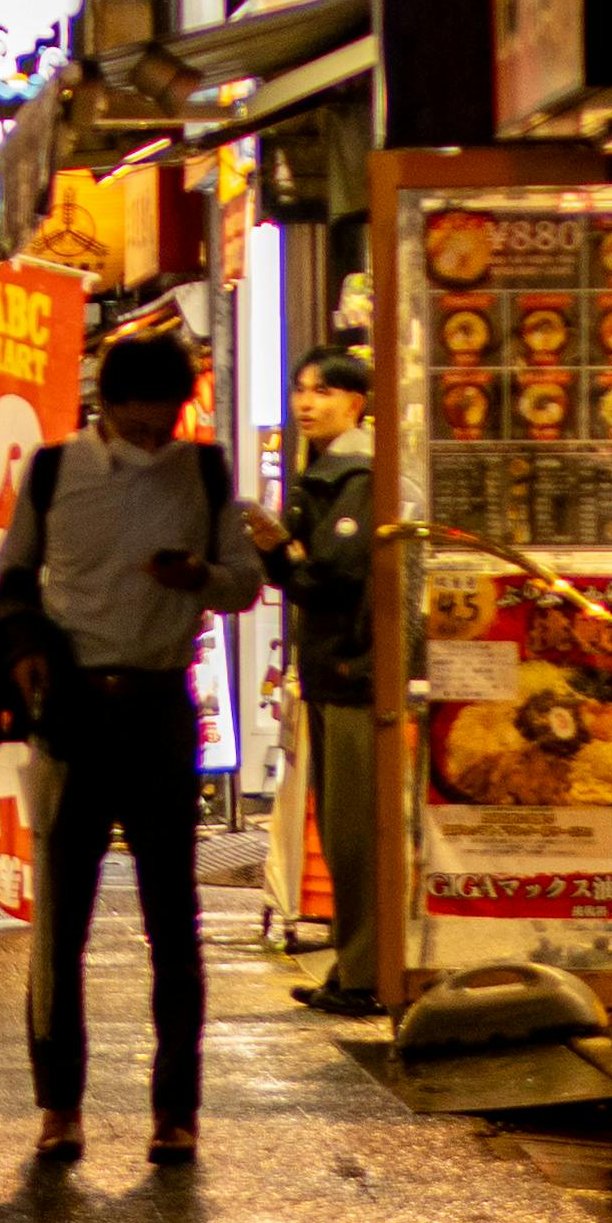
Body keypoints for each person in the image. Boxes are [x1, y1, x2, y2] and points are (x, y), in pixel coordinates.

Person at [0, 322, 265, 1165]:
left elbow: (247, 581)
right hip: (72, 709)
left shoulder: (204, 470)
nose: (156, 438)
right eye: (140, 423)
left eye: (167, 422)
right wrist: (28, 650)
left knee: (171, 918)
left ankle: (175, 1112)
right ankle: (58, 1106)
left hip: (158, 707)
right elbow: (11, 576)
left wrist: (201, 581)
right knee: (60, 921)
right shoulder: (51, 470)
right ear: (103, 406)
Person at [247, 343, 380, 1017]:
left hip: (357, 671)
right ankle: (353, 966)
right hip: (332, 670)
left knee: (354, 830)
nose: (306, 401)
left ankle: (365, 974)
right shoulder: (323, 473)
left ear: (354, 403)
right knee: (339, 824)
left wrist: (279, 552)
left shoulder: (354, 474)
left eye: (323, 390)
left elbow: (334, 572)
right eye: (300, 387)